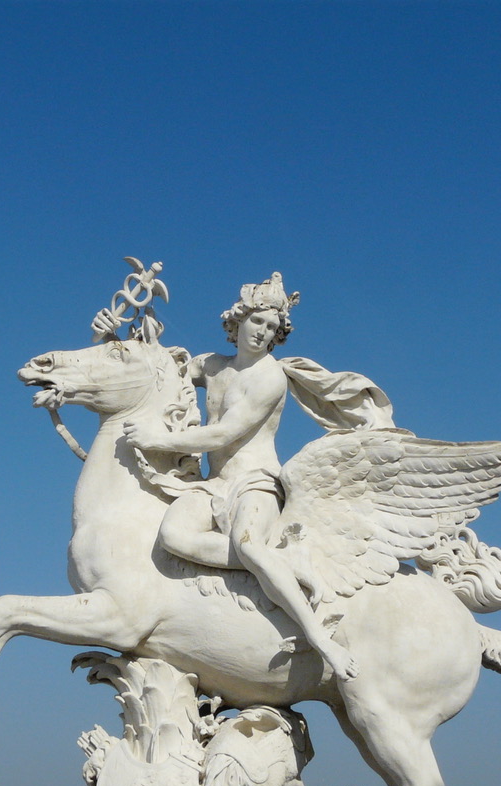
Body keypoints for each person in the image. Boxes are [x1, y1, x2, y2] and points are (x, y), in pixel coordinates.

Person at [110, 273, 359, 682]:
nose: (262, 333)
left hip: (256, 482)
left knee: (250, 547)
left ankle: (320, 637)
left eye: (272, 328)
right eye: (257, 322)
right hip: (214, 485)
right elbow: (157, 370)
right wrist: (117, 337)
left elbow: (225, 433)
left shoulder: (270, 377)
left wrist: (160, 438)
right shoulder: (212, 366)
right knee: (172, 536)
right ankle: (276, 567)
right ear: (238, 320)